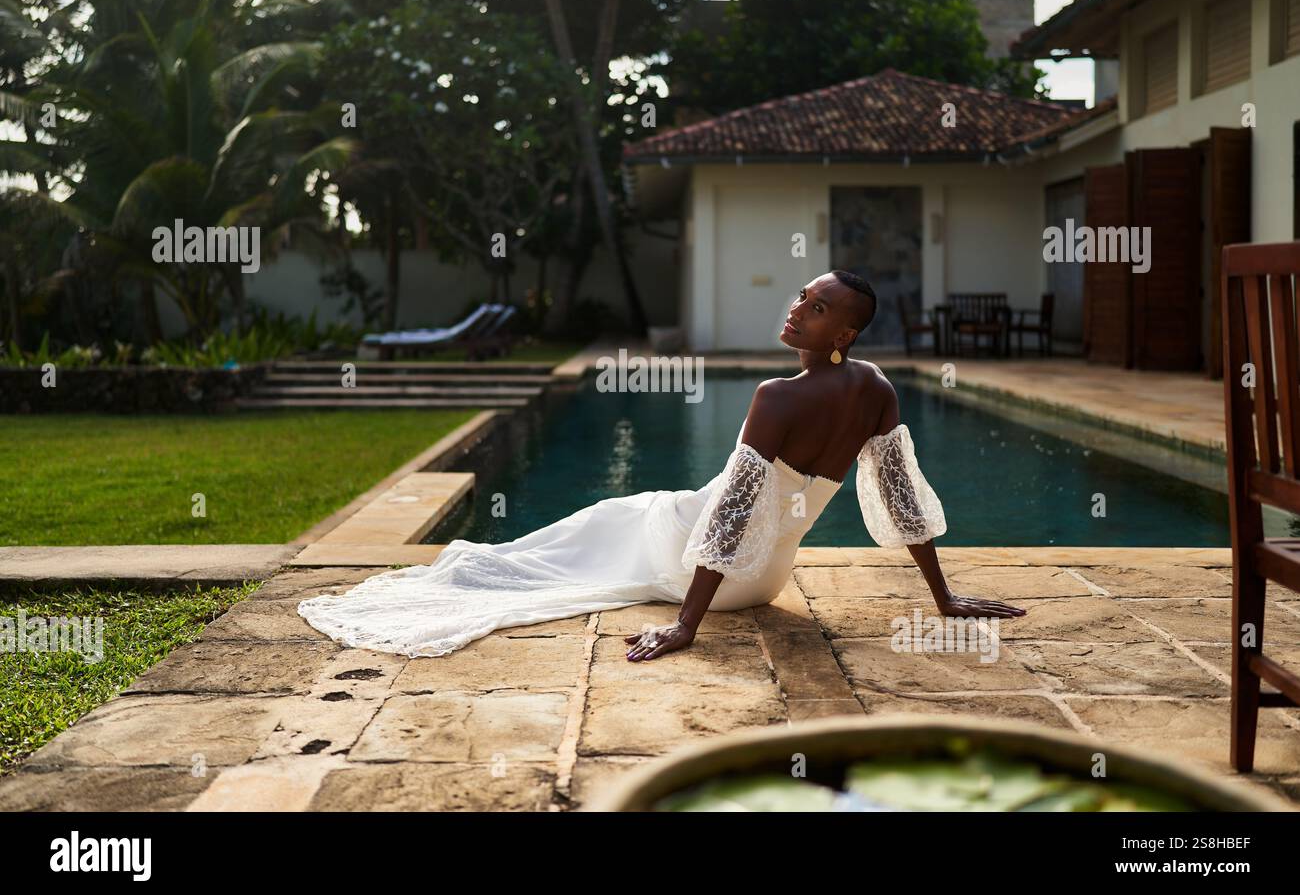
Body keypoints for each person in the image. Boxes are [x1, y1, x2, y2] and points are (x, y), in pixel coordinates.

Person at [298, 270, 1026, 663]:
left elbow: (733, 509)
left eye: (820, 306)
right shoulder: (878, 390)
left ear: (846, 332)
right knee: (630, 517)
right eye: (803, 294)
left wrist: (687, 625)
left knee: (615, 517)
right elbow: (903, 505)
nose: (800, 308)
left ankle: (522, 567)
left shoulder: (778, 397)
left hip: (699, 564)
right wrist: (943, 598)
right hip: (765, 584)